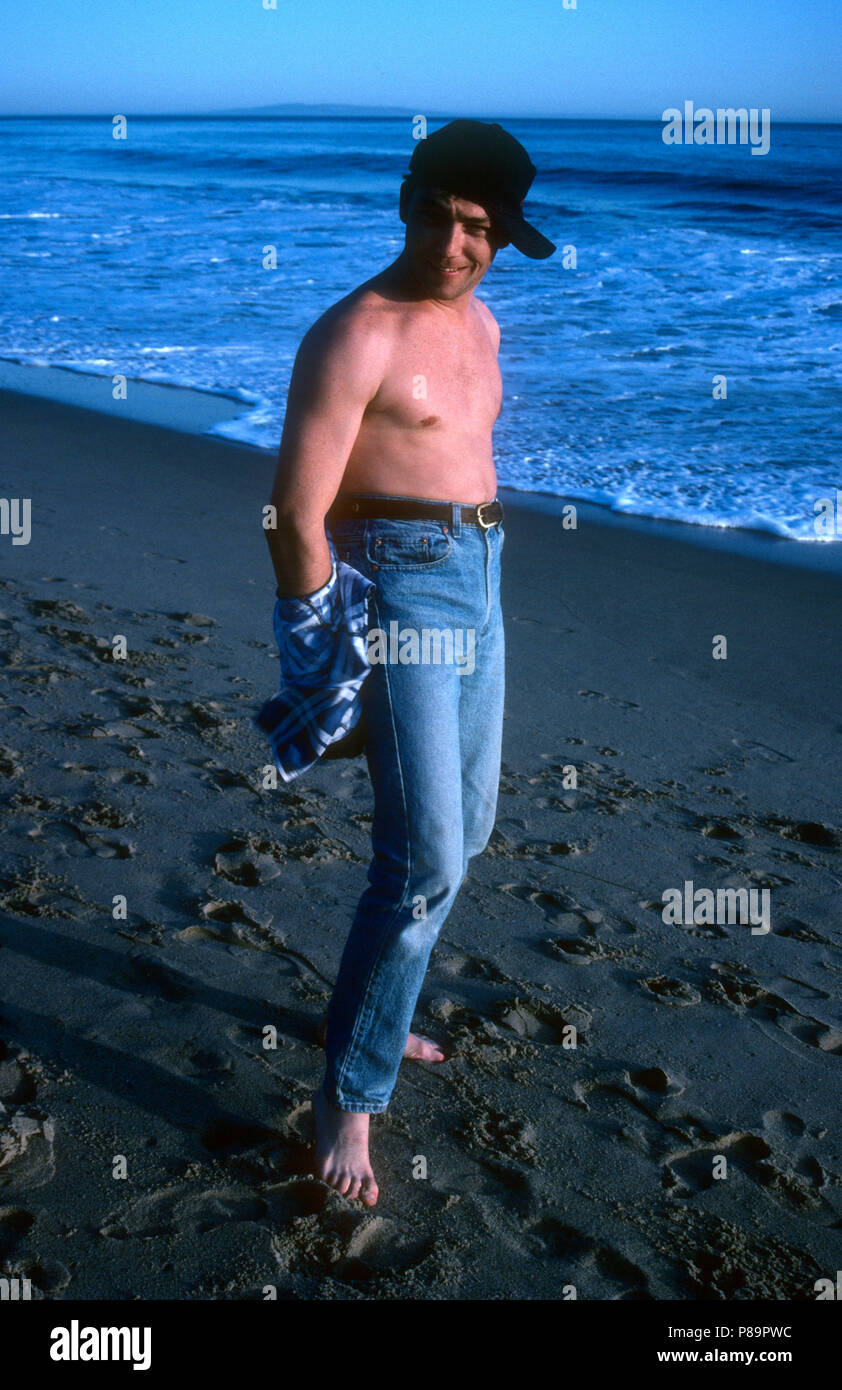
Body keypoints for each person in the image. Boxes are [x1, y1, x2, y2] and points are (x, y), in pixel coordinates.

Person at [264, 119, 556, 1206]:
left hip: (476, 568)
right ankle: (347, 1092)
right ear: (407, 201)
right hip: (396, 580)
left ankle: (373, 1009)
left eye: (481, 229)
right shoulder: (354, 334)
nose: (455, 244)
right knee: (424, 851)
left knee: (465, 830)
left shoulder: (479, 327)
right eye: (440, 214)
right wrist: (310, 653)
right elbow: (293, 514)